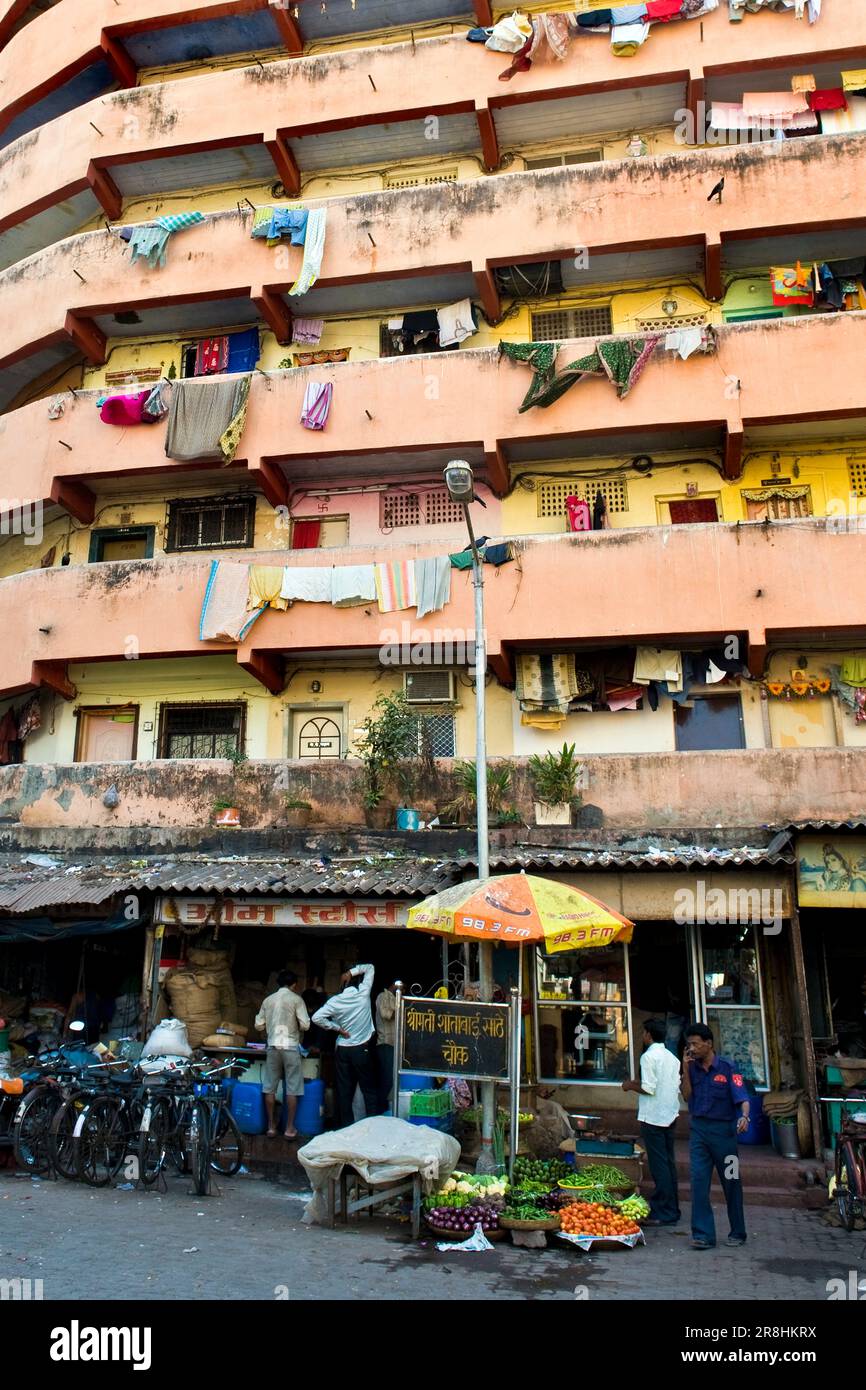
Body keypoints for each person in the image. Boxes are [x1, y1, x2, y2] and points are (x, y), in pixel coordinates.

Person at [681, 1021, 749, 1250]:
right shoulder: (691, 1067)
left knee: (731, 1182)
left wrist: (745, 1117)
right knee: (699, 1181)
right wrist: (685, 1068)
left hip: (725, 1135)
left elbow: (742, 1097)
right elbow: (686, 1096)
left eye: (695, 1044)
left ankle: (738, 1231)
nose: (691, 1048)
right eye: (688, 1045)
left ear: (708, 1044)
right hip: (699, 1131)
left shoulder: (728, 1067)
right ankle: (703, 1234)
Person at [622, 1018, 682, 1225]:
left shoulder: (648, 1057)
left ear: (648, 1035)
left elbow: (649, 1088)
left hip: (654, 1116)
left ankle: (663, 1210)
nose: (643, 1036)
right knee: (668, 1162)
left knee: (659, 1165)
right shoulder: (672, 1058)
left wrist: (630, 1085)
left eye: (644, 1033)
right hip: (670, 1114)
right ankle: (672, 1208)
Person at [312, 964, 379, 1128]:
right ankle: (373, 1129)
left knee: (344, 1092)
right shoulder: (364, 992)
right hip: (361, 1050)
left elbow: (316, 1018)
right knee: (368, 1091)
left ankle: (345, 1129)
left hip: (343, 1050)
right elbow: (370, 967)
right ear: (358, 982)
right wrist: (351, 972)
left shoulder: (335, 1001)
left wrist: (337, 1028)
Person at [255, 971, 310, 1139]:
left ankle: (271, 1127)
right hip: (290, 1046)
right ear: (294, 984)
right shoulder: (296, 999)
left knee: (270, 1086)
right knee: (292, 1087)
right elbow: (305, 1025)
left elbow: (258, 1025)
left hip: (273, 1046)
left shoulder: (268, 1000)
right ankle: (289, 1129)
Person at [375, 981, 397, 1112]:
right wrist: (402, 1009)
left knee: (393, 1080)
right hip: (385, 1044)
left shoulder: (395, 998)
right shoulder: (383, 996)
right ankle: (382, 1111)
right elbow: (386, 1014)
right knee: (387, 1081)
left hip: (394, 1045)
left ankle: (389, 1110)